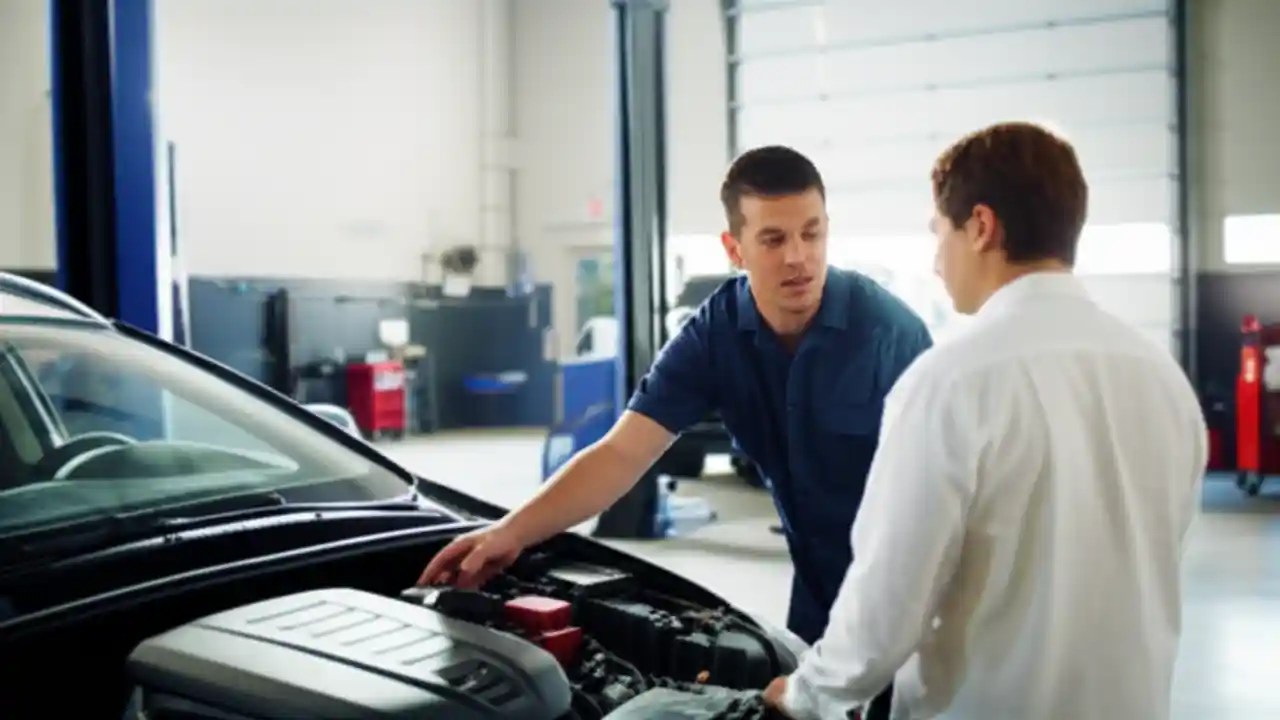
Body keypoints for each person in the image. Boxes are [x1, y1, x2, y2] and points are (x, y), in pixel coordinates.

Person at [762, 121, 1208, 720]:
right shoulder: (1162, 379)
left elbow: (887, 603)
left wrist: (804, 694)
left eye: (938, 232)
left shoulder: (950, 381)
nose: (936, 259)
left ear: (980, 226)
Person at [419, 146, 932, 649]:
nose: (798, 257)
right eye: (773, 239)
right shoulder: (715, 335)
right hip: (819, 590)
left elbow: (944, 487)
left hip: (915, 587)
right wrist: (510, 533)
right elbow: (622, 453)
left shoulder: (890, 333)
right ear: (735, 249)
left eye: (811, 233)